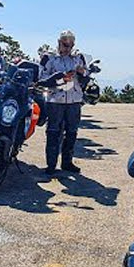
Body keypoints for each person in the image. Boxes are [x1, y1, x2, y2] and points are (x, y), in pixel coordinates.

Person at [39, 30, 88, 175]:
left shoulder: (78, 57)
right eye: (65, 44)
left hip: (74, 100)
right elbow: (42, 78)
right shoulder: (48, 57)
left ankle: (67, 163)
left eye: (70, 45)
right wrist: (59, 79)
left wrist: (82, 72)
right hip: (55, 100)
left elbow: (86, 77)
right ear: (59, 42)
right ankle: (51, 165)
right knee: (53, 132)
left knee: (72, 132)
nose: (68, 48)